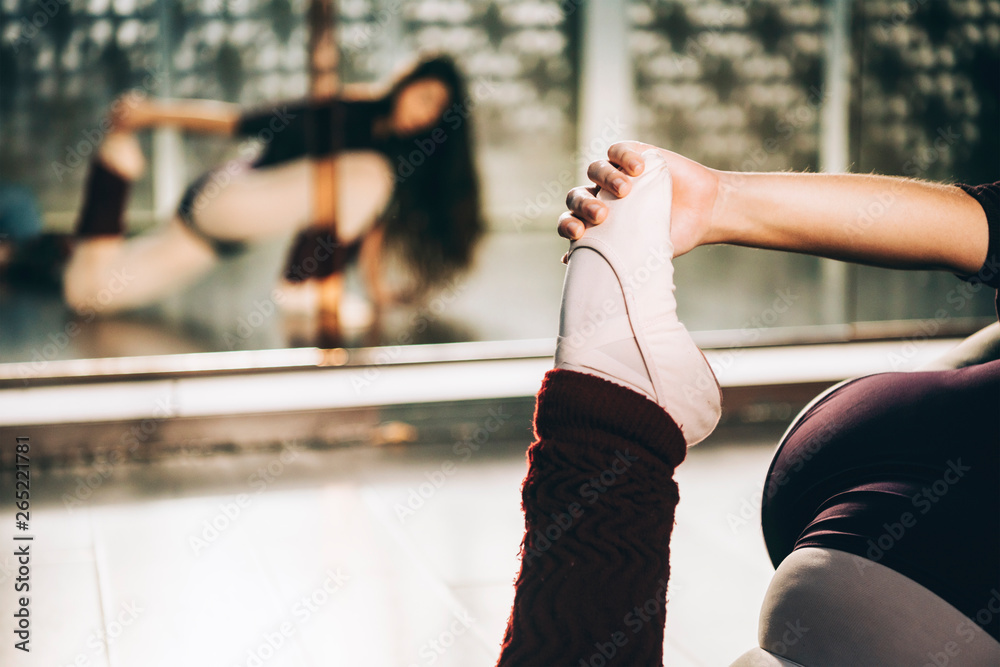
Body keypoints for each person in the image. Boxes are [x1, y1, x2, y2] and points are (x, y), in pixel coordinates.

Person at [496, 141, 999, 665]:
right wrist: (716, 199)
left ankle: (607, 409)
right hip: (940, 537)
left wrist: (724, 201)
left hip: (882, 502)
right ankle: (609, 404)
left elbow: (990, 221)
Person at [62, 54, 483, 320]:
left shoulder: (392, 159)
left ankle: (113, 165)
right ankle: (306, 284)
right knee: (371, 174)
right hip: (228, 196)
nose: (425, 115)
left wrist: (377, 292)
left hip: (211, 238)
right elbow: (237, 121)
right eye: (425, 98)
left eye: (437, 113)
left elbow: (370, 225)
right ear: (407, 83)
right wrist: (151, 114)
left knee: (89, 294)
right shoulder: (344, 114)